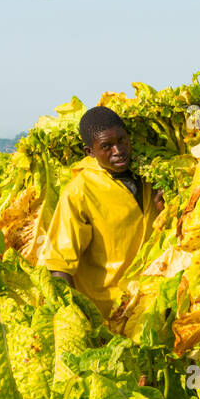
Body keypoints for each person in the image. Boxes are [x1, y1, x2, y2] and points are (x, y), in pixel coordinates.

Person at [39, 106, 164, 318]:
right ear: (90, 152)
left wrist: (164, 212)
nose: (118, 150)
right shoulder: (79, 192)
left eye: (122, 141)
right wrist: (74, 319)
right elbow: (59, 265)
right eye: (107, 146)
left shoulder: (149, 176)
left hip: (149, 304)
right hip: (104, 312)